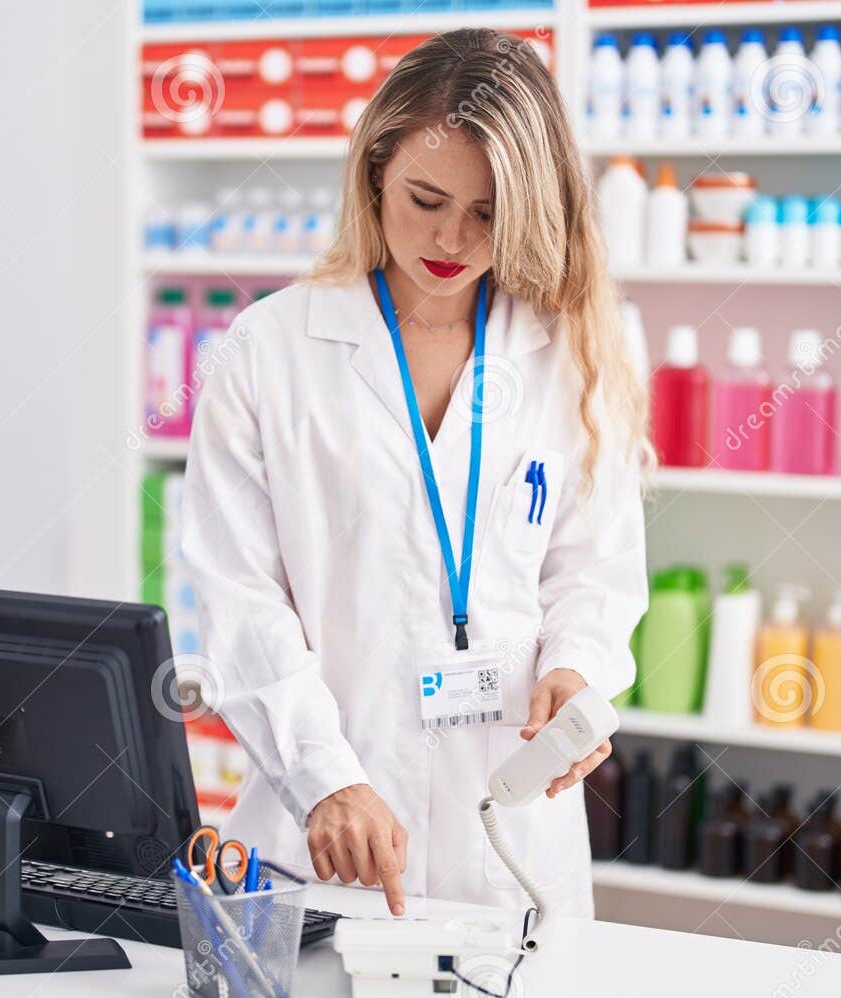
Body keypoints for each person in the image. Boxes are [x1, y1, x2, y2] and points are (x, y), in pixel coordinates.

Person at [180, 29, 649, 919]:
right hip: (330, 840)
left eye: (486, 213)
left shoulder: (575, 352)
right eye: (425, 198)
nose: (449, 239)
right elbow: (239, 599)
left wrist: (580, 667)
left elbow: (596, 566)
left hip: (512, 841)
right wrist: (325, 778)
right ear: (374, 174)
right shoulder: (270, 350)